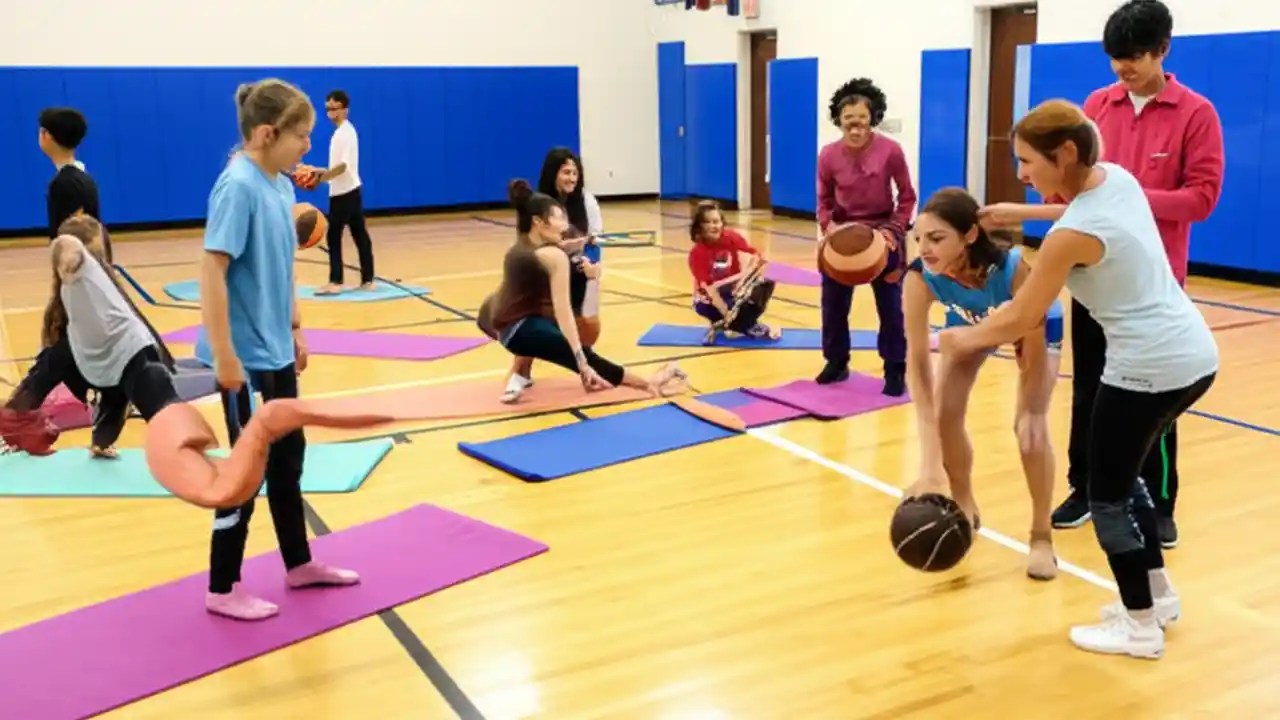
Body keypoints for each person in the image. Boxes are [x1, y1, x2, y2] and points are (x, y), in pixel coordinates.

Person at [942, 99, 1218, 659]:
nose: (1021, 173)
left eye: (1027, 161)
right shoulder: (1118, 179)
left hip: (1145, 367)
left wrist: (960, 339)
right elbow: (1075, 207)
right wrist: (1017, 212)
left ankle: (1140, 626)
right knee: (1129, 479)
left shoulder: (1071, 237)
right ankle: (1158, 597)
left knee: (1107, 498)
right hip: (1193, 355)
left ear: (1065, 153)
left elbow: (1021, 317)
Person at [982, 0, 1224, 547]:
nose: (1122, 68)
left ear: (1163, 50)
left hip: (1151, 282)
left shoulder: (1196, 113)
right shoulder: (1095, 105)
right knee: (1090, 387)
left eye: (1134, 56)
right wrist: (1025, 210)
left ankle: (1159, 501)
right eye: (1115, 57)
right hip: (1091, 275)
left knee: (1154, 401)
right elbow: (1069, 190)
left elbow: (1201, 199)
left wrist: (1123, 198)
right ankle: (1086, 485)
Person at [194, 78, 358, 621]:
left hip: (275, 350)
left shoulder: (280, 185)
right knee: (246, 472)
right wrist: (224, 355)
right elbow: (211, 271)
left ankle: (299, 563)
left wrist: (295, 327)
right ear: (267, 134)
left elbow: (283, 264)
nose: (308, 145)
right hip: (242, 359)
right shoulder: (237, 187)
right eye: (301, 136)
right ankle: (222, 587)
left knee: (289, 459)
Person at [902, 188, 1060, 580]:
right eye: (919, 238)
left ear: (970, 235)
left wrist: (1033, 407)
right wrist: (928, 467)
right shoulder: (920, 278)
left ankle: (1041, 536)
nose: (924, 248)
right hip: (970, 325)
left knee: (1030, 431)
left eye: (936, 238)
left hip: (1031, 328)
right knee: (945, 413)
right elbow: (917, 366)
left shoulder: (1014, 270)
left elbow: (1032, 346)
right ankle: (963, 503)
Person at [477, 179, 687, 398]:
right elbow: (564, 312)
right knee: (585, 354)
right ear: (538, 221)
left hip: (497, 323)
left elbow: (556, 249)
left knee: (544, 325)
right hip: (520, 332)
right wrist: (580, 359)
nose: (565, 225)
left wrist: (578, 243)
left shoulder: (521, 247)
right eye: (559, 218)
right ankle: (648, 385)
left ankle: (521, 375)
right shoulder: (553, 257)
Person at [0, 216, 174, 457]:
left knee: (120, 383)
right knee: (60, 358)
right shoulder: (72, 285)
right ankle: (14, 420)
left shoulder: (102, 287)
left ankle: (103, 439)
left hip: (110, 360)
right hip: (90, 360)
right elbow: (67, 248)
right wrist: (69, 257)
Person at [815, 78, 917, 396]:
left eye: (862, 118)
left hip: (884, 237)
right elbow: (823, 202)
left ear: (872, 118)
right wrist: (830, 228)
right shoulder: (828, 155)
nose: (855, 125)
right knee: (833, 305)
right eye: (849, 119)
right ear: (839, 119)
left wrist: (892, 231)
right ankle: (836, 362)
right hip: (843, 237)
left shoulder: (891, 151)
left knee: (891, 309)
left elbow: (908, 198)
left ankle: (895, 369)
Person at [501, 148, 607, 402]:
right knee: (535, 324)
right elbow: (527, 245)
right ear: (553, 174)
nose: (572, 178)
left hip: (578, 272)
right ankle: (520, 373)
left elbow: (594, 242)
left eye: (575, 173)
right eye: (566, 172)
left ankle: (586, 369)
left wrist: (593, 266)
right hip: (543, 272)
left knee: (589, 328)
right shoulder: (538, 204)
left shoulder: (587, 202)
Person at [304, 89, 376, 295]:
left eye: (335, 108)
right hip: (351, 188)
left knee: (334, 235)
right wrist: (318, 171)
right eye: (328, 109)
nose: (331, 113)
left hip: (343, 192)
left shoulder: (345, 133)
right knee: (359, 234)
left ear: (345, 109)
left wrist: (321, 179)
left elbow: (343, 166)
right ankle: (368, 279)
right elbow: (339, 166)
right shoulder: (343, 132)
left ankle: (336, 281)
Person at [687, 199, 780, 341]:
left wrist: (751, 270)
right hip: (709, 300)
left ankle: (738, 325)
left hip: (731, 293)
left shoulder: (732, 238)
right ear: (699, 226)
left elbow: (754, 255)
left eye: (716, 221)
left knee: (766, 281)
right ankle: (737, 324)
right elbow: (709, 289)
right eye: (707, 222)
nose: (713, 226)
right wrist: (726, 313)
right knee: (724, 312)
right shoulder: (697, 254)